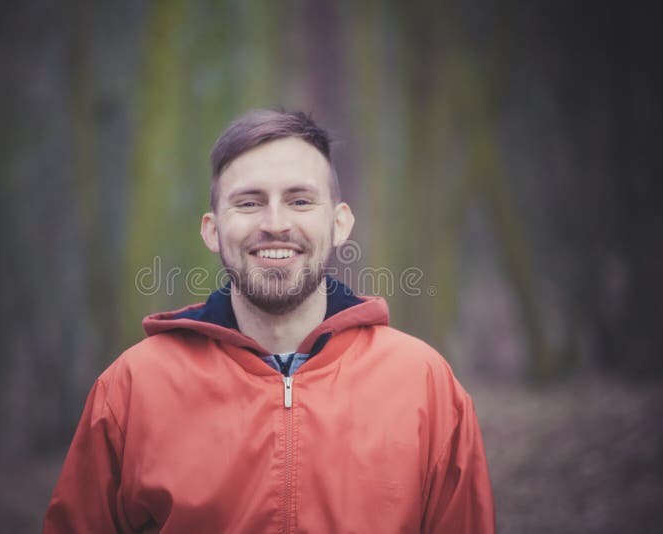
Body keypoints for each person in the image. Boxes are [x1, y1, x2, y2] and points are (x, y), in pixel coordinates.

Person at [44, 109, 495, 533]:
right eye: (248, 203)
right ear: (211, 229)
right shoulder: (131, 389)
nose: (275, 223)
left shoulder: (425, 385)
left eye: (300, 200)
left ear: (339, 224)